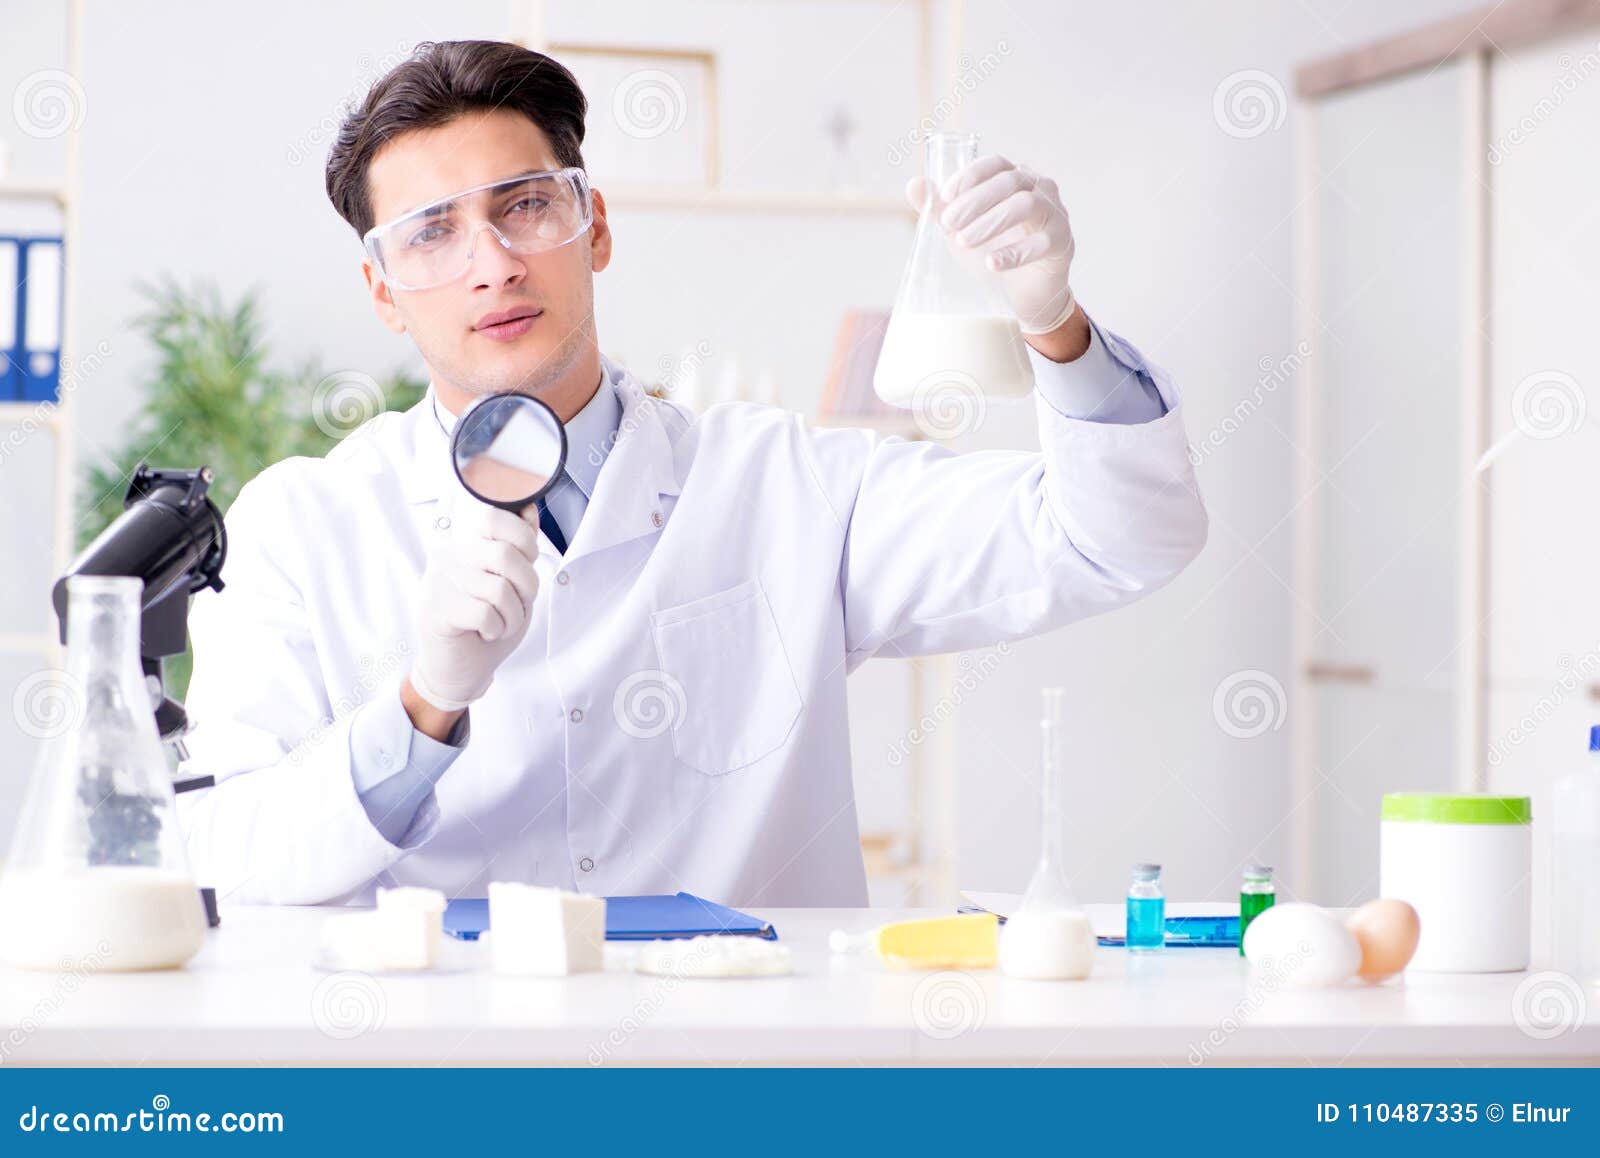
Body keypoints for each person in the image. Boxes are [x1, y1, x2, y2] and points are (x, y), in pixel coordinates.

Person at [179, 40, 1207, 907]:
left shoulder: (788, 485)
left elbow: (1115, 541)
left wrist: (1051, 322)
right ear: (384, 293)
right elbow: (230, 856)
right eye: (432, 234)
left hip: (747, 1070)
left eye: (525, 206)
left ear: (598, 226)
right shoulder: (300, 527)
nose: (490, 263)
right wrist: (423, 703)